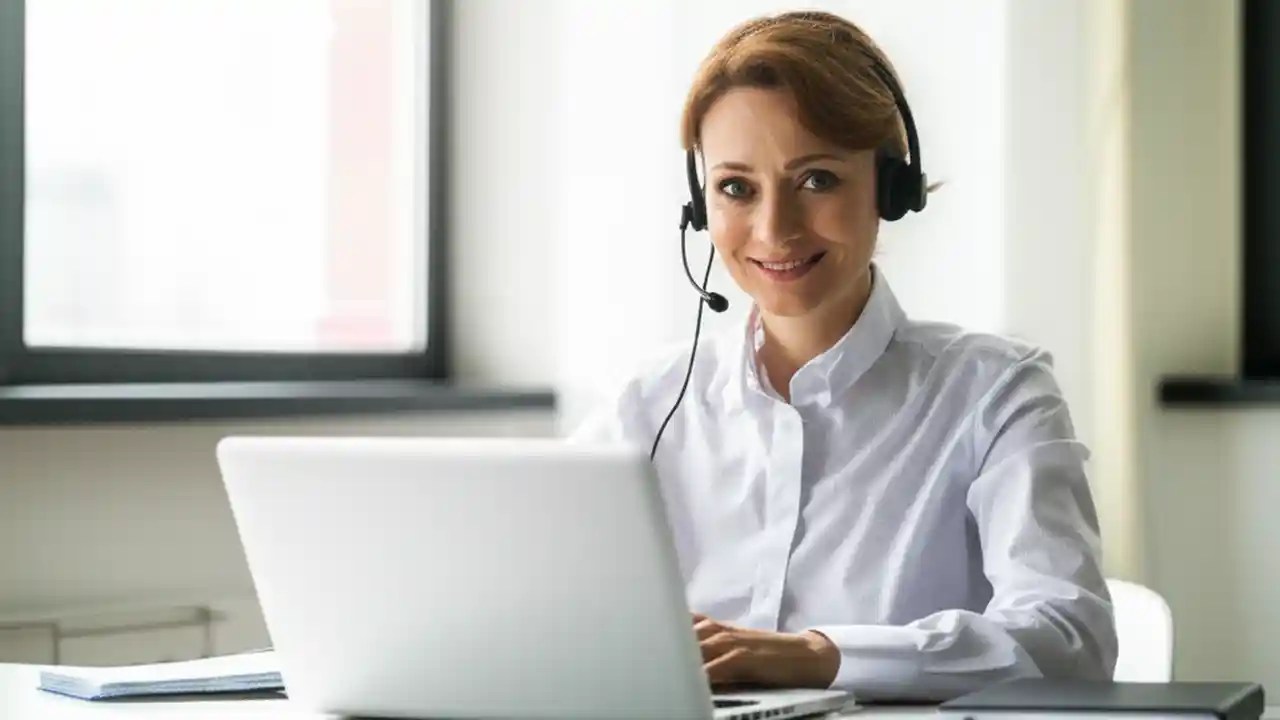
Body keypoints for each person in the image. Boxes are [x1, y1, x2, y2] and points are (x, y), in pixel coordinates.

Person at [571, 10, 1117, 702]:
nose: (774, 229)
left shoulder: (996, 393)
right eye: (736, 188)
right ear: (698, 205)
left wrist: (817, 656)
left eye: (817, 180)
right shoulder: (643, 404)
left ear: (891, 190)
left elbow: (1071, 637)